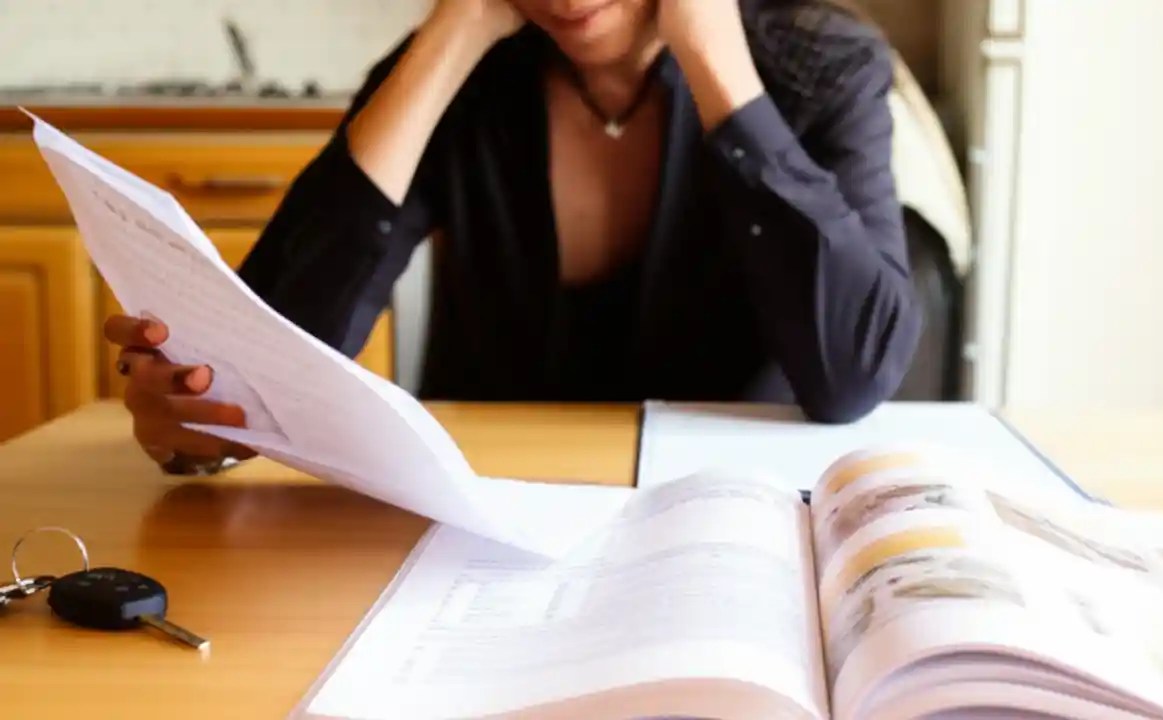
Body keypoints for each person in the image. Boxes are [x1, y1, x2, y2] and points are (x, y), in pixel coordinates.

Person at [105, 0, 923, 474]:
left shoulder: (824, 66)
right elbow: (268, 366)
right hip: (490, 521)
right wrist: (452, 35)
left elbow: (853, 375)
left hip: (732, 522)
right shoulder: (467, 70)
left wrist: (716, 62)